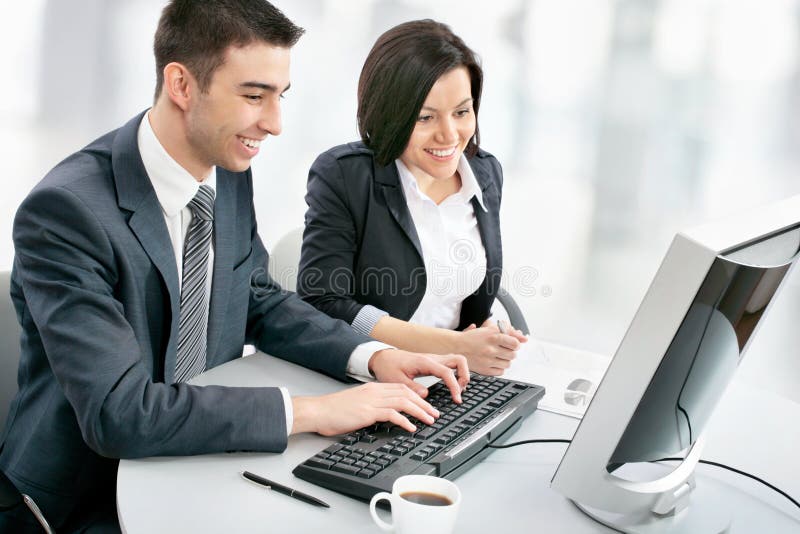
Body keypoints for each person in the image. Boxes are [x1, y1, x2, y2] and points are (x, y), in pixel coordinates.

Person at [0, 2, 469, 532]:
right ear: (181, 84)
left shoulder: (225, 170)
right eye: (253, 96)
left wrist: (374, 357)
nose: (274, 124)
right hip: (89, 500)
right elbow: (119, 414)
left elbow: (259, 299)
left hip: (209, 464)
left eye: (279, 96)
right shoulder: (68, 214)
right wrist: (313, 412)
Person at [298, 20, 527, 377]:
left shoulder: (484, 174)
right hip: (368, 375)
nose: (450, 135)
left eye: (462, 112)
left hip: (453, 378)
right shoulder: (343, 175)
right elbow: (324, 302)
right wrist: (453, 346)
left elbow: (466, 302)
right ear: (389, 115)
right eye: (425, 117)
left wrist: (487, 337)